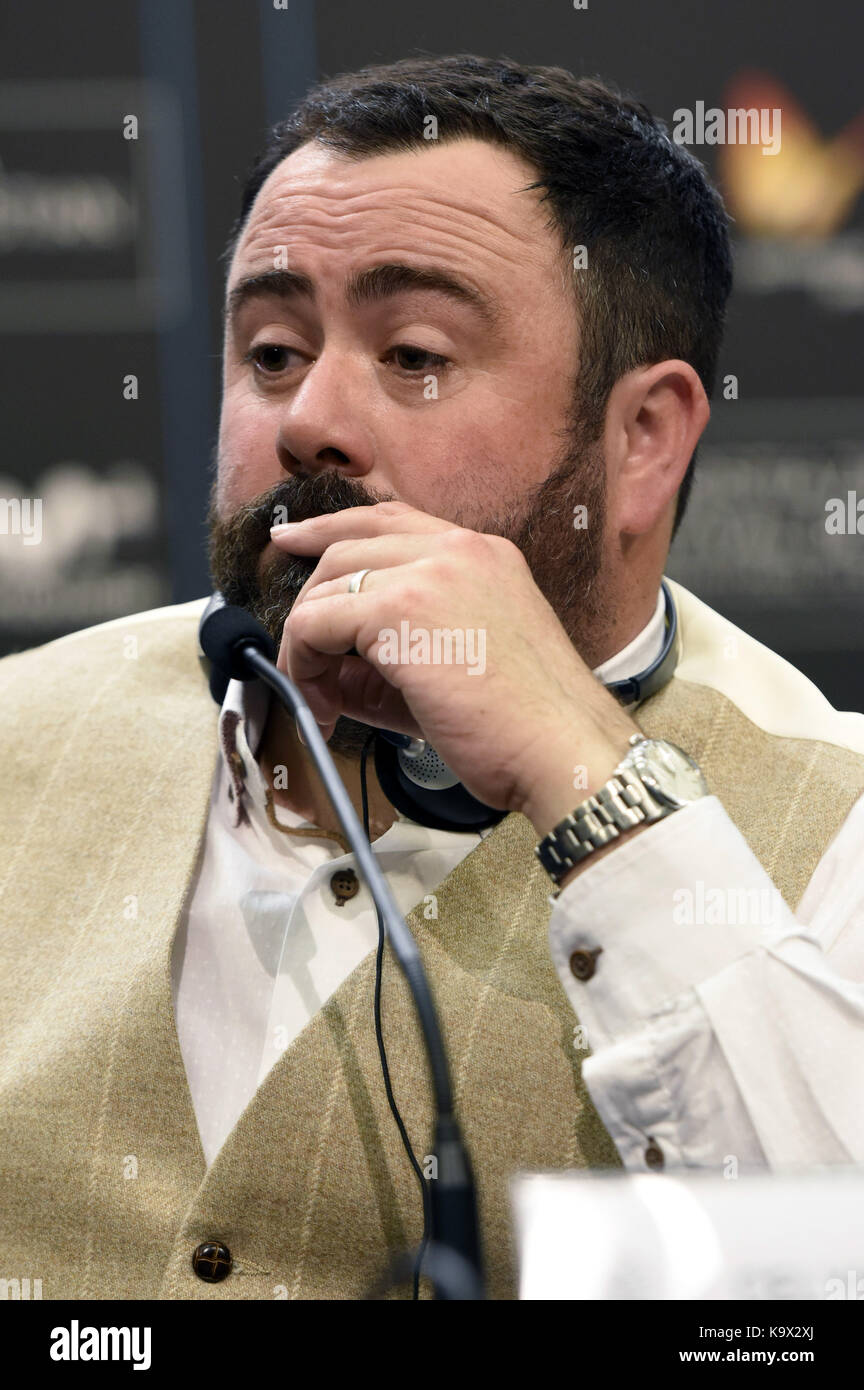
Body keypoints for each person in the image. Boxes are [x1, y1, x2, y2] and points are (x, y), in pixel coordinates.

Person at [2, 54, 863, 1302]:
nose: (306, 421)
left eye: (413, 354)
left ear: (643, 440)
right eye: (274, 350)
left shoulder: (833, 824)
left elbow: (823, 1284)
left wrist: (586, 774)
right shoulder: (23, 741)